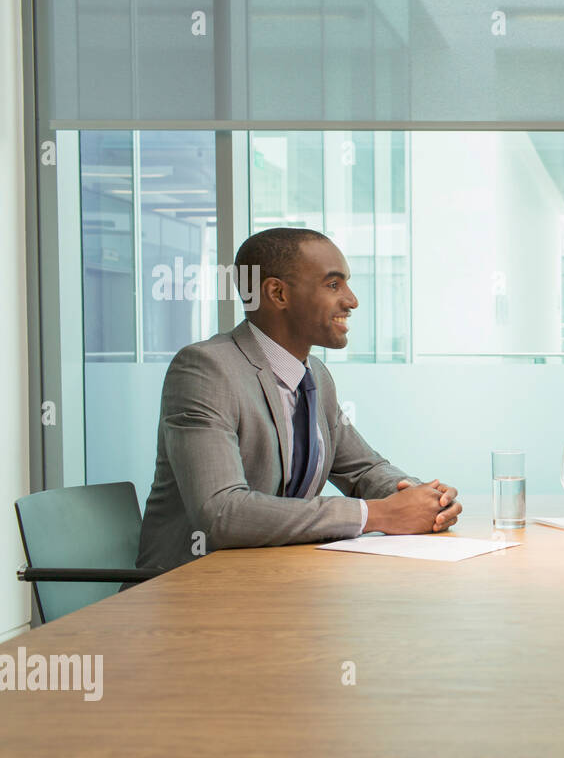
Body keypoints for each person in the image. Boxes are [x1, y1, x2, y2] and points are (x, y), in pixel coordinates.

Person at [137, 227, 461, 573]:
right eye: (334, 285)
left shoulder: (314, 375)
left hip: (276, 581)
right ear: (277, 293)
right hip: (190, 591)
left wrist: (423, 498)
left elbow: (364, 468)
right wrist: (378, 514)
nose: (352, 300)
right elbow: (222, 512)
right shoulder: (206, 370)